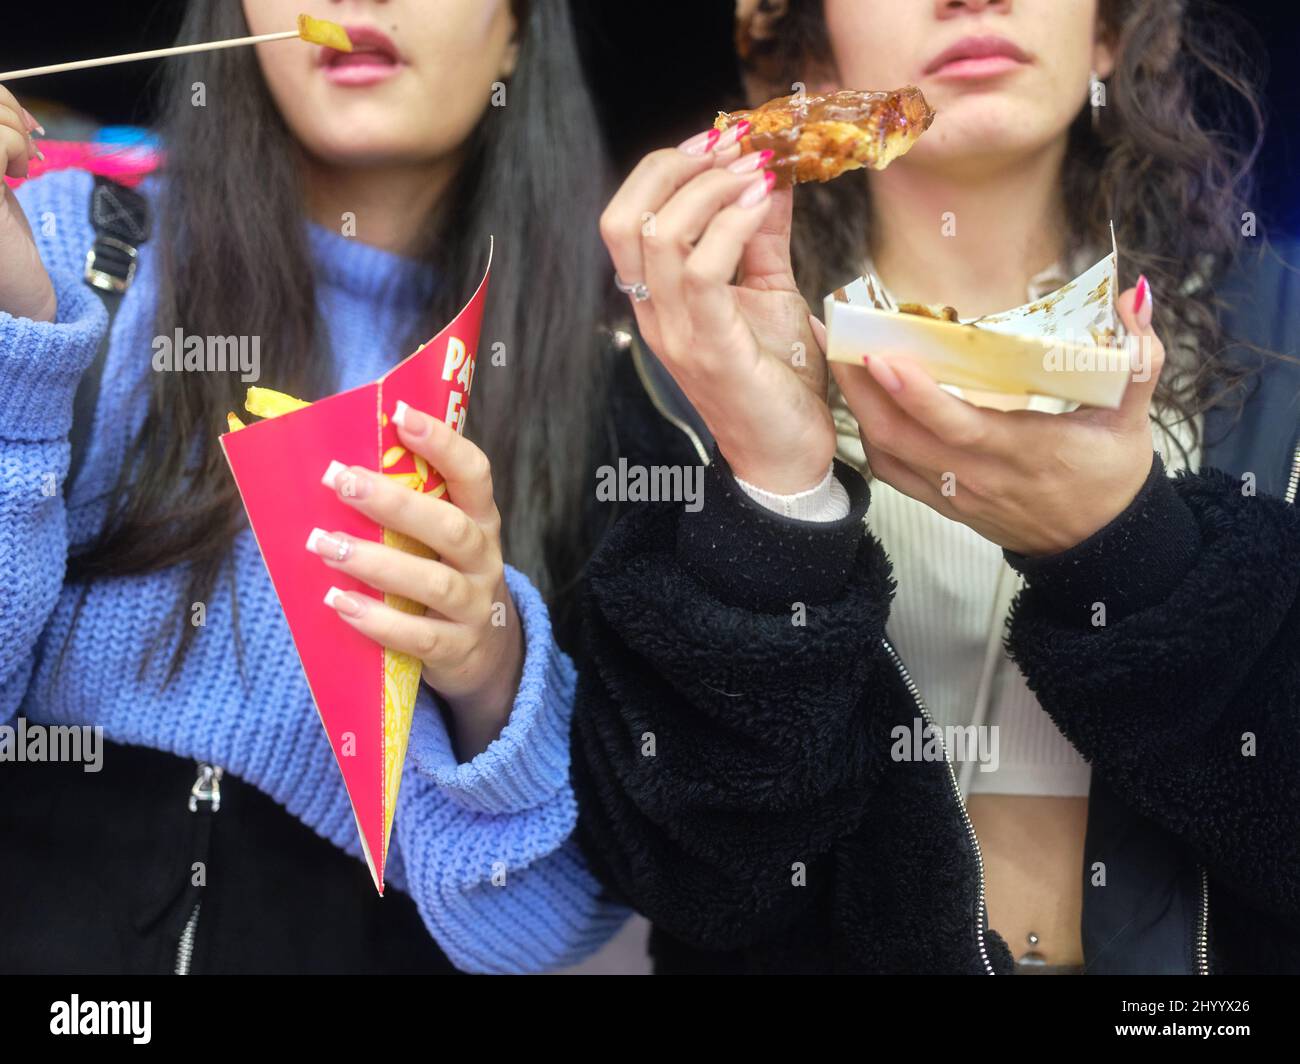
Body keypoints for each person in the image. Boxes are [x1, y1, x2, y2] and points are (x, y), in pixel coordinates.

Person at [572, 0, 1300, 973]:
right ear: (811, 44)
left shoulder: (1281, 342)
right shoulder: (682, 368)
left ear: (1109, 31)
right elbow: (695, 882)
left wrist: (1125, 548)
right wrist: (778, 497)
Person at [0, 0, 624, 974]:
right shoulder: (60, 248)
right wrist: (22, 359)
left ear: (518, 31)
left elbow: (535, 931)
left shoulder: (597, 385)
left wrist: (486, 669)